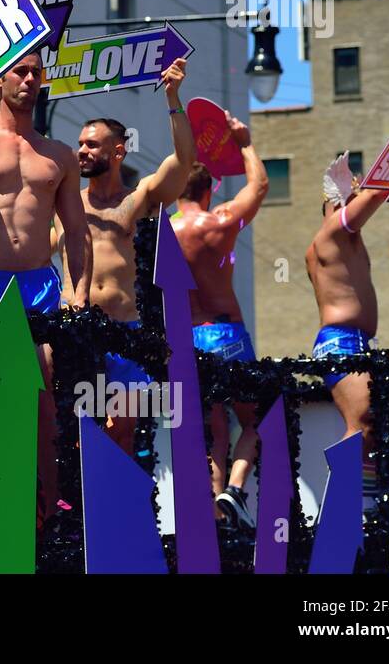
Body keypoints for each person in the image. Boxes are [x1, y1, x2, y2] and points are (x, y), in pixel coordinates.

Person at [0, 50, 92, 521]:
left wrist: (79, 292)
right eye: (20, 71)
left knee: (43, 400)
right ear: (0, 79)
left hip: (43, 286)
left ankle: (44, 511)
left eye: (36, 72)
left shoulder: (59, 155)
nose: (29, 79)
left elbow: (76, 231)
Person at [64, 57, 193, 454]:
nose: (82, 151)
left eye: (92, 144)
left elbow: (183, 161)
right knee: (72, 434)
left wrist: (173, 98)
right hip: (78, 329)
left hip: (127, 332)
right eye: (80, 144)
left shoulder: (140, 199)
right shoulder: (67, 202)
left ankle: (115, 508)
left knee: (120, 429)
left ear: (118, 151)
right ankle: (77, 512)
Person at [171, 113, 269, 528]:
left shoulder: (160, 234)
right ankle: (236, 489)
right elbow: (259, 186)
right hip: (226, 334)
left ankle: (212, 513)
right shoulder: (220, 222)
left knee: (212, 433)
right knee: (255, 422)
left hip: (187, 340)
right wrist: (244, 143)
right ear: (209, 190)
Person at [306, 152, 389, 511]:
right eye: (352, 192)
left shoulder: (350, 239)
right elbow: (375, 196)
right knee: (363, 420)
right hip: (339, 343)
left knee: (371, 425)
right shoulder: (331, 233)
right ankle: (346, 508)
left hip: (359, 343)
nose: (359, 196)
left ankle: (362, 504)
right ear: (339, 199)